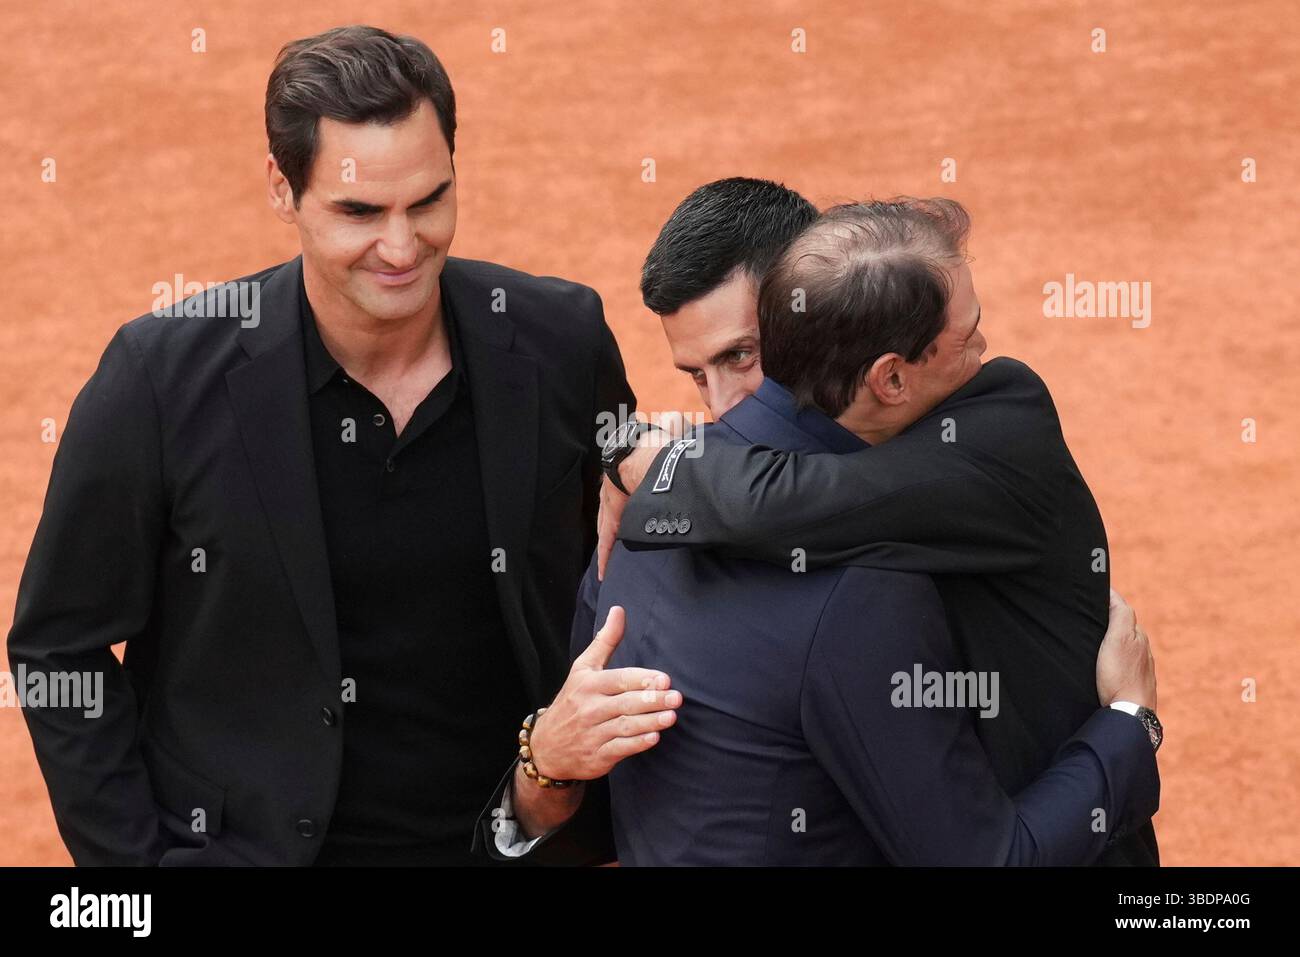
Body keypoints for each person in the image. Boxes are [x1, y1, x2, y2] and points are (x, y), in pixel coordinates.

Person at [7, 25, 642, 866]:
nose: (402, 246)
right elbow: (58, 649)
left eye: (427, 200)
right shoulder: (158, 379)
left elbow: (651, 532)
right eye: (359, 211)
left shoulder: (562, 341)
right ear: (282, 188)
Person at [480, 180, 1161, 865]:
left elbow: (798, 498)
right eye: (697, 373)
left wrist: (637, 460)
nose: (724, 405)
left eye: (743, 355)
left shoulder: (988, 432)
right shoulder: (845, 586)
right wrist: (1132, 724)